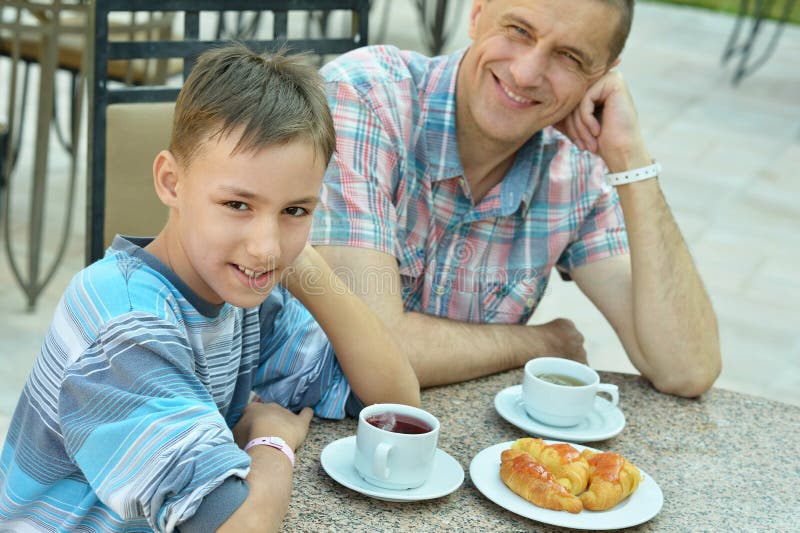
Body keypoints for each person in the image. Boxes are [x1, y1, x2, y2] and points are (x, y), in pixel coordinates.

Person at [0, 44, 419, 532]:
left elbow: (395, 402)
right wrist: (272, 440)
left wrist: (305, 263)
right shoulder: (125, 326)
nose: (264, 247)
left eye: (294, 210)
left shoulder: (239, 292)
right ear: (171, 182)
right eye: (238, 204)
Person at [310, 0, 721, 397]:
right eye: (519, 30)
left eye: (570, 58)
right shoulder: (366, 97)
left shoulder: (574, 168)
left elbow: (686, 369)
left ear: (600, 77)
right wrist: (539, 343)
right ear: (477, 14)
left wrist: (631, 160)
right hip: (293, 431)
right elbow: (370, 349)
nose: (526, 73)